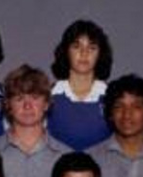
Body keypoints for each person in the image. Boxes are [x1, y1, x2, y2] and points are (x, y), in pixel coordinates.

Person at [47, 20, 113, 152]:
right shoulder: (48, 95)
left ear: (100, 54)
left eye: (92, 48)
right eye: (76, 46)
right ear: (66, 52)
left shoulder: (112, 97)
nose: (84, 53)